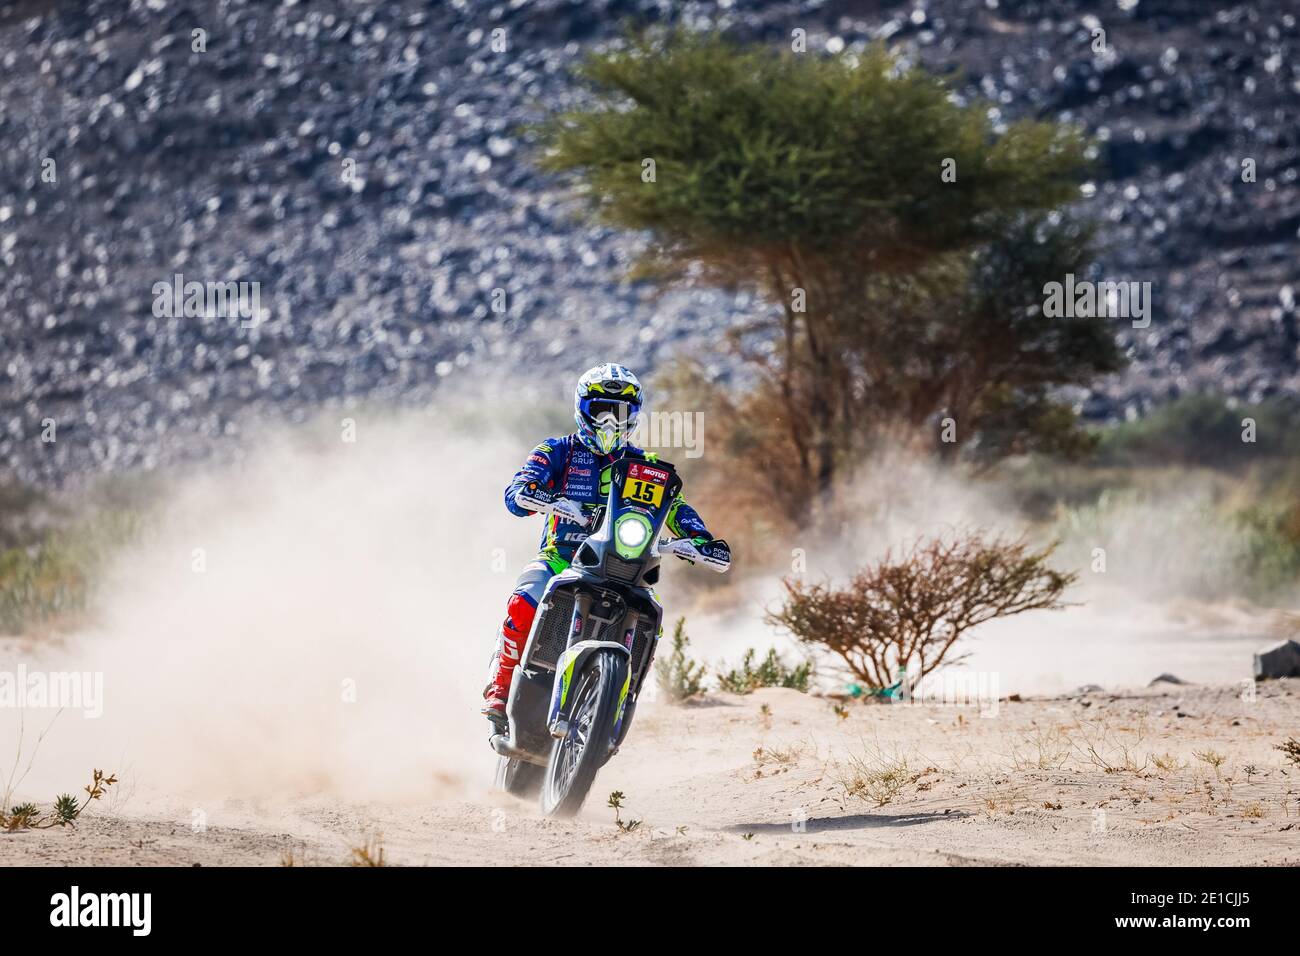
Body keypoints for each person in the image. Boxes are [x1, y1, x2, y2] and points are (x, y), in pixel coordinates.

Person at [482, 362, 713, 724]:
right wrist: (538, 495)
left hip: (626, 567)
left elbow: (675, 505)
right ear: (583, 410)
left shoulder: (644, 466)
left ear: (634, 416)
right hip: (562, 557)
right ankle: (500, 686)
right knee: (526, 596)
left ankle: (618, 705)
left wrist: (700, 538)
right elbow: (518, 492)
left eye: (620, 413)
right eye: (601, 410)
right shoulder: (558, 451)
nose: (610, 421)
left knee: (652, 618)